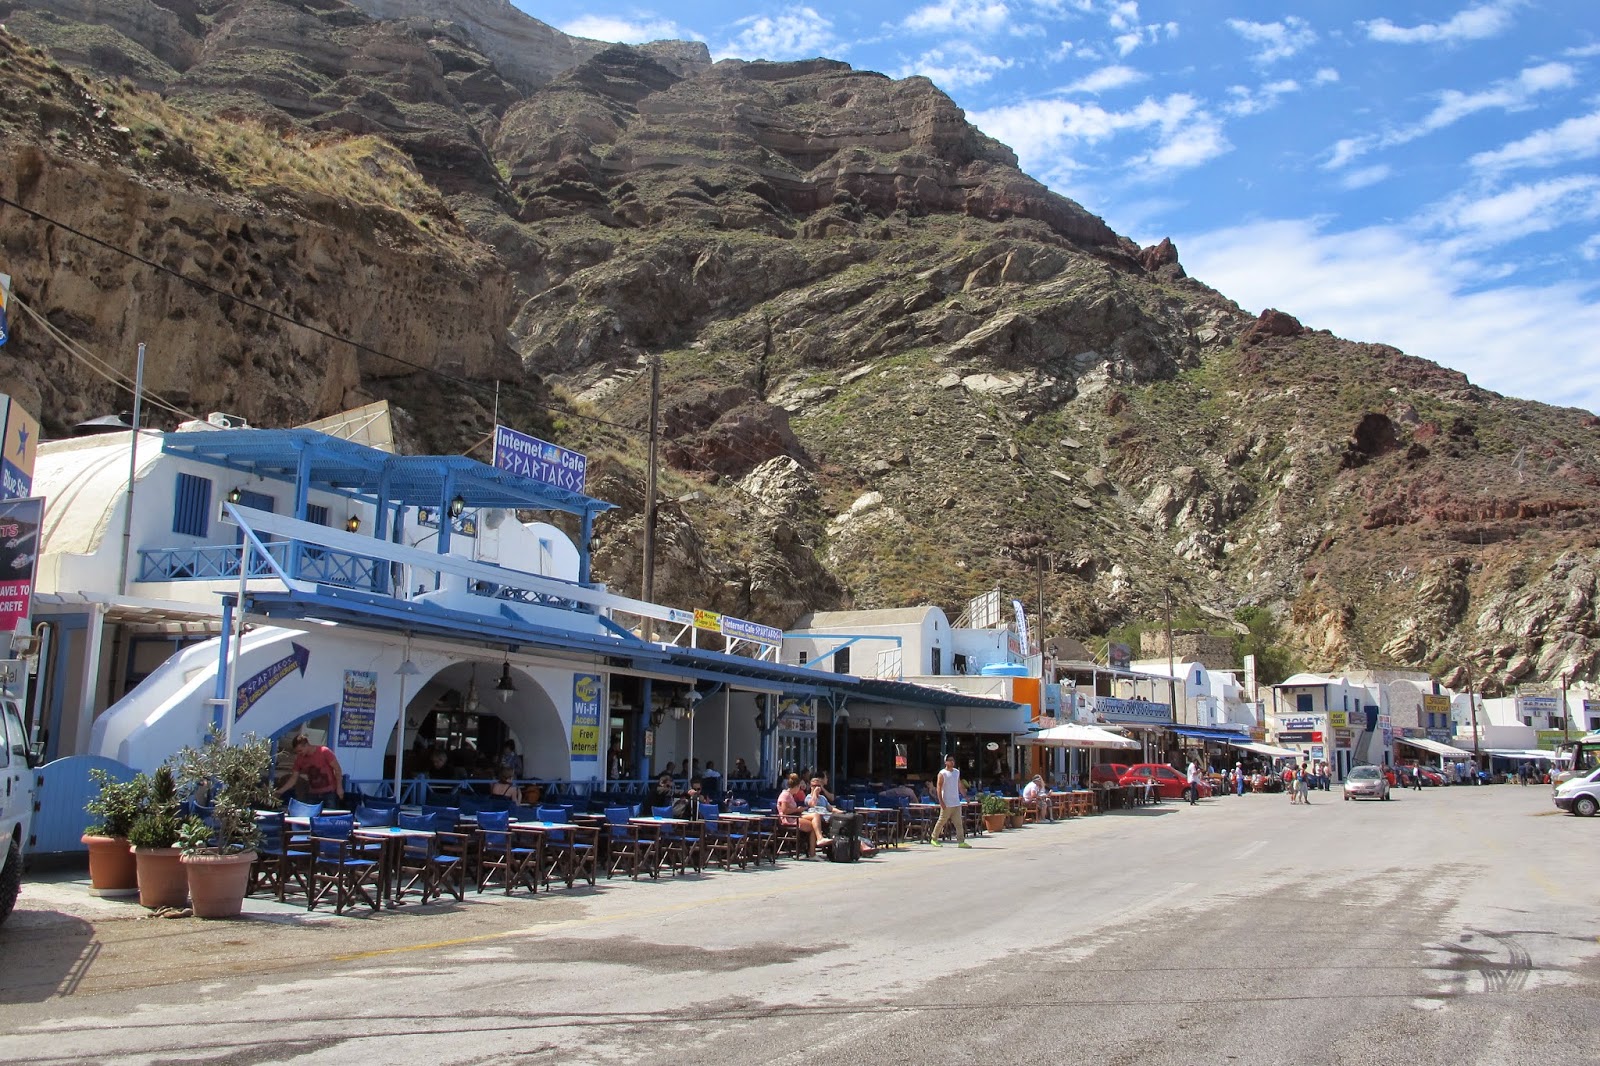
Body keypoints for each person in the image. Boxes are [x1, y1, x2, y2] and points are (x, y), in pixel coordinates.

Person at [277, 733, 344, 807]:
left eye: (300, 750)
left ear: (306, 745)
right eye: (297, 752)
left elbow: (337, 769)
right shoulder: (299, 759)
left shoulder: (324, 752)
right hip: (313, 794)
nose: (299, 753)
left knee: (330, 815)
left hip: (329, 793)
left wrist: (339, 787)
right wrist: (281, 791)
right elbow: (293, 778)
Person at [778, 774, 824, 858]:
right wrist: (797, 809)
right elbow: (784, 811)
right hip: (788, 819)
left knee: (815, 815)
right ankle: (812, 853)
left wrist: (799, 810)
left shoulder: (790, 795)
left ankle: (820, 838)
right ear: (796, 786)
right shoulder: (785, 795)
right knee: (813, 826)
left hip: (794, 816)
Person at [930, 754, 970, 848]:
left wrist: (965, 796)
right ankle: (934, 838)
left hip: (956, 802)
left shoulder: (956, 772)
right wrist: (941, 802)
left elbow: (959, 785)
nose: (952, 762)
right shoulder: (942, 773)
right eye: (950, 760)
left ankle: (961, 841)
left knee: (958, 823)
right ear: (945, 762)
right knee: (941, 821)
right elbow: (939, 788)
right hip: (947, 802)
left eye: (953, 760)